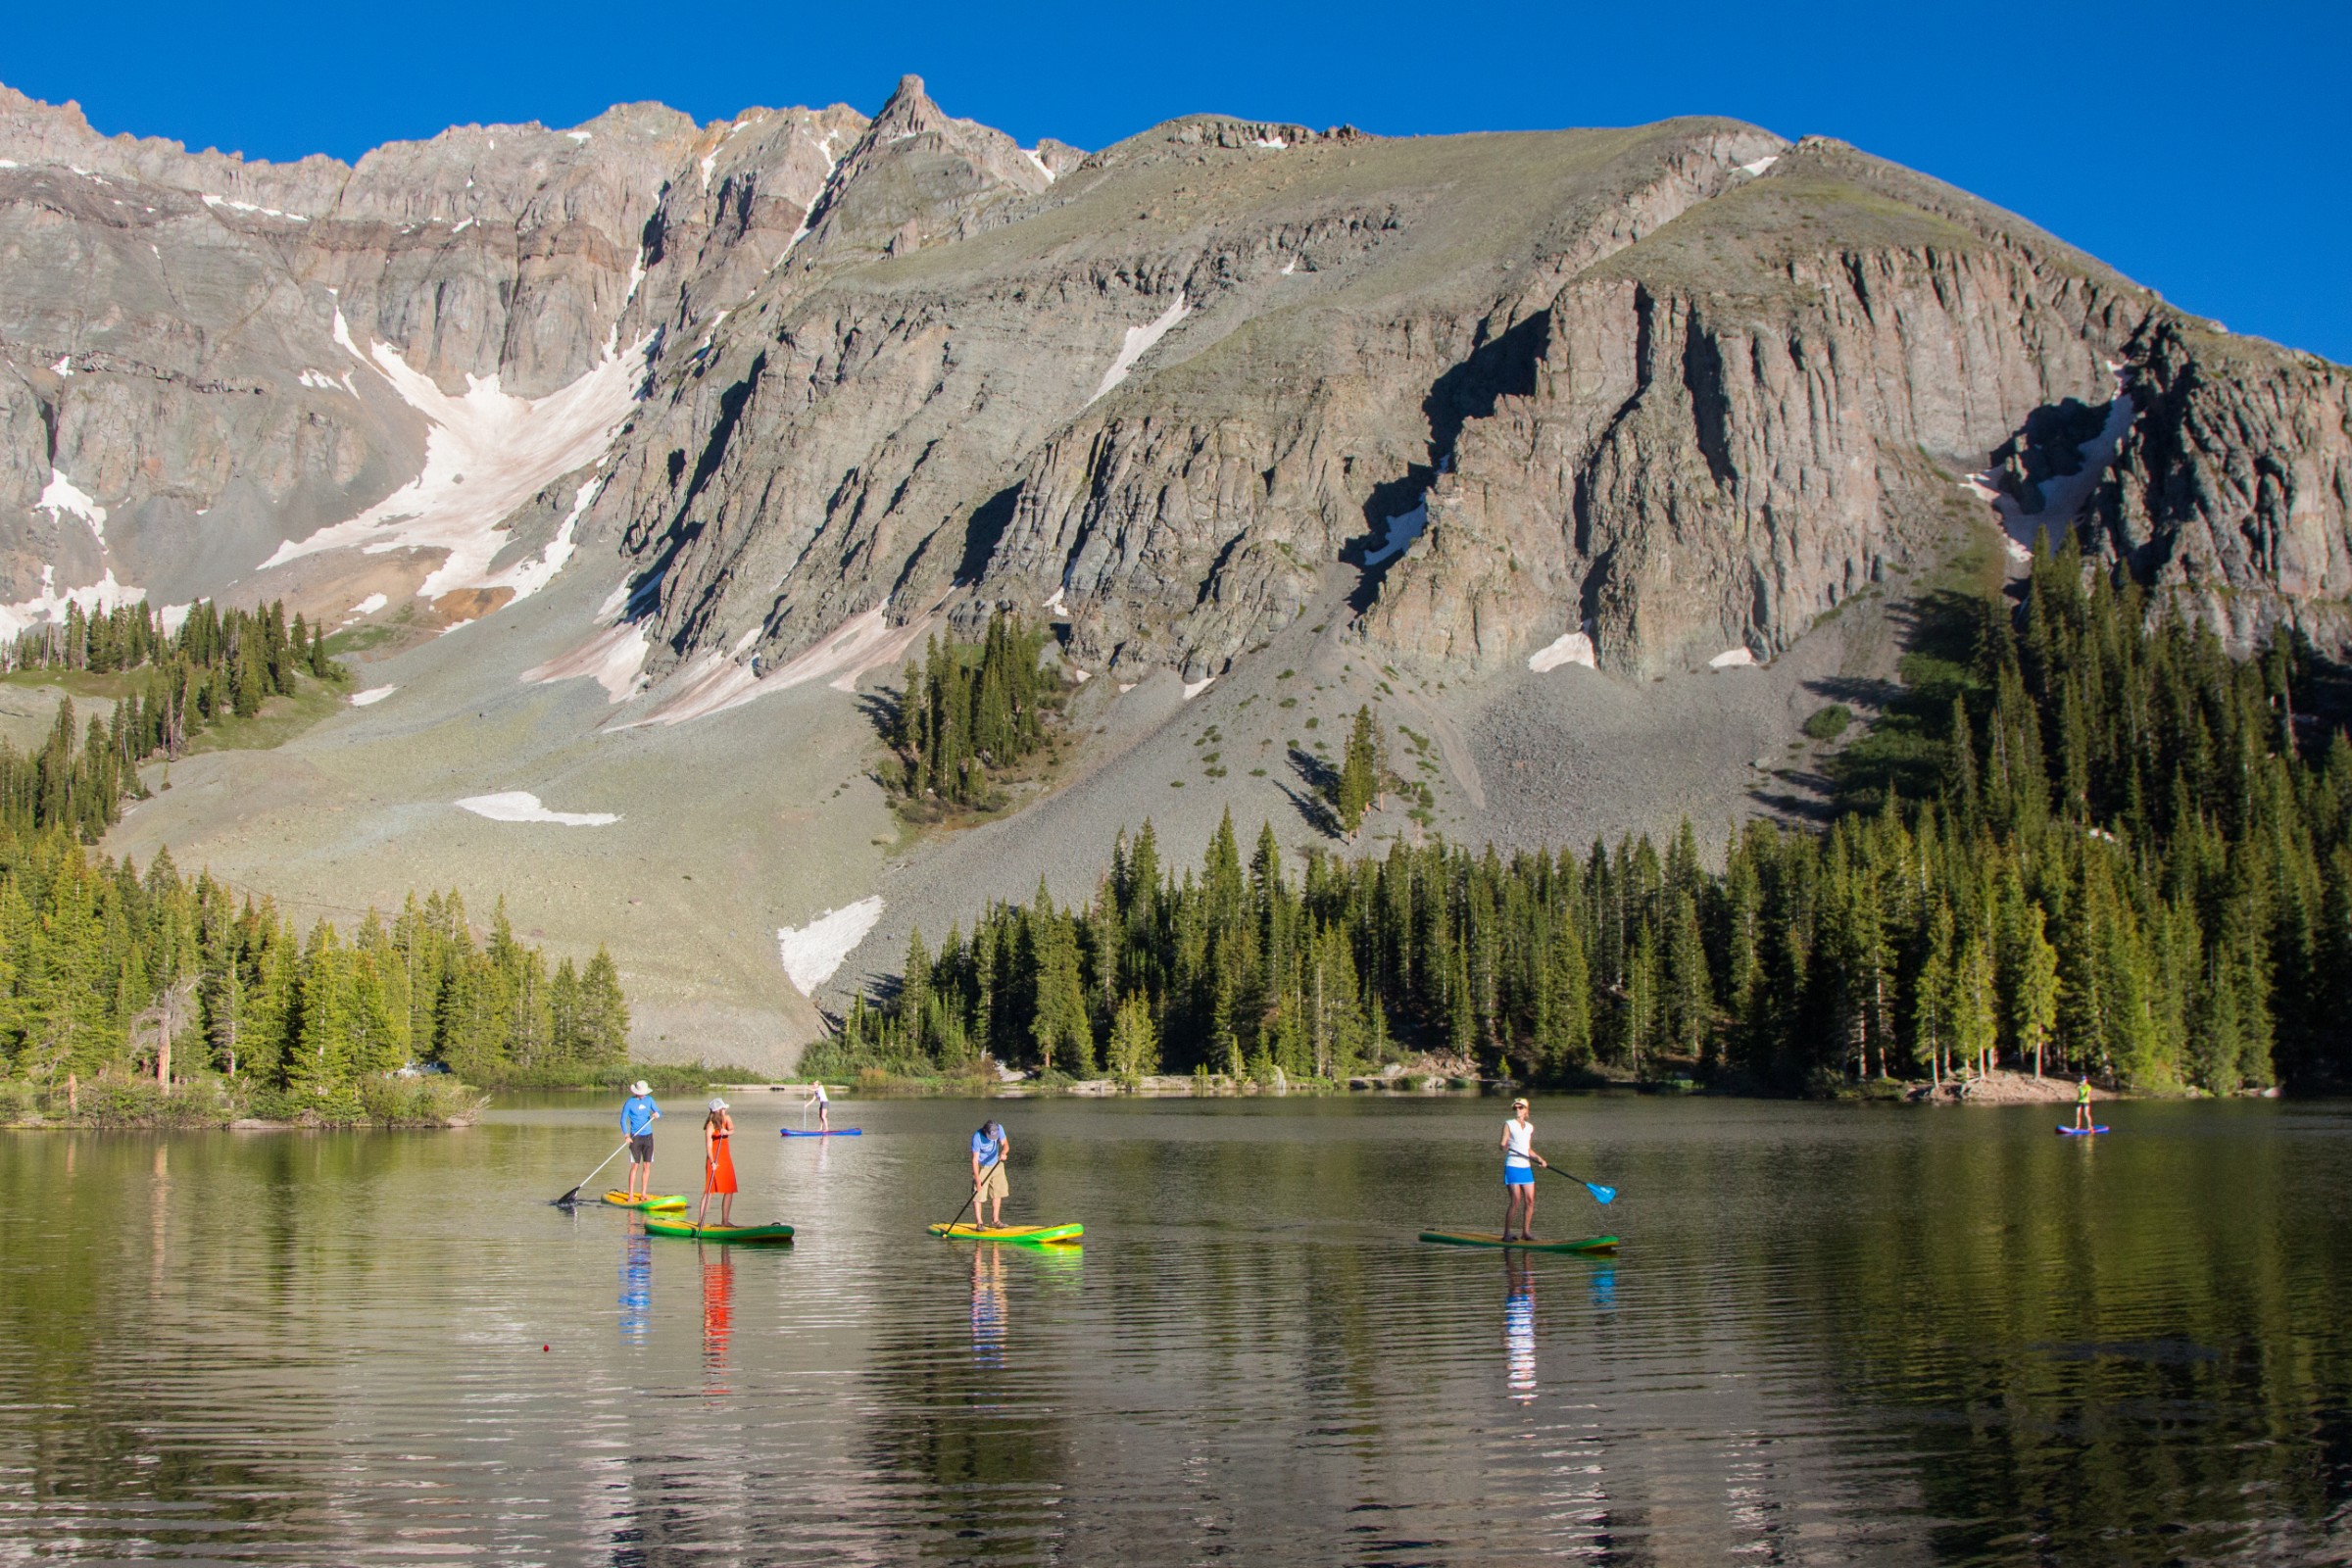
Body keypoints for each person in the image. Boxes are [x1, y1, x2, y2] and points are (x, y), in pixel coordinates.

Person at [1498, 1097, 1549, 1242]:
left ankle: (1526, 1232)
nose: (1518, 1110)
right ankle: (1506, 1234)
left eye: (1521, 1107)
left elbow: (1527, 1149)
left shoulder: (1529, 1127)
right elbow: (1502, 1144)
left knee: (1530, 1200)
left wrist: (1540, 1159)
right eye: (1516, 1108)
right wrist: (1504, 1146)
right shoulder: (1509, 1124)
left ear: (1526, 1110)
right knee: (1516, 1200)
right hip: (1512, 1166)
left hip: (1525, 1167)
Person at [699, 1098, 737, 1227]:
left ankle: (725, 1221)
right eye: (723, 1108)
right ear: (718, 1111)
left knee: (729, 1189)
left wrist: (727, 1132)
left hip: (726, 1158)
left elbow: (732, 1130)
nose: (725, 1110)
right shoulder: (710, 1126)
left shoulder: (727, 1119)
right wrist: (712, 1161)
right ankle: (701, 1221)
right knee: (709, 1191)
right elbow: (709, 1147)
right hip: (714, 1159)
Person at [620, 1080, 661, 1200]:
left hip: (648, 1136)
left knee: (647, 1165)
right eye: (641, 1093)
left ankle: (643, 1193)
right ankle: (631, 1194)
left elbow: (659, 1112)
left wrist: (657, 1114)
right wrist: (626, 1135)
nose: (643, 1095)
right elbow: (623, 1120)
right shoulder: (629, 1103)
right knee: (635, 1166)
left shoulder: (649, 1100)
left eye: (644, 1092)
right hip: (635, 1137)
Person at [969, 1119, 1010, 1230]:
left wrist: (1003, 1153)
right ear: (984, 1130)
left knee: (998, 1192)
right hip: (982, 1166)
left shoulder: (999, 1128)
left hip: (996, 1164)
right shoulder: (977, 1137)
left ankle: (995, 1221)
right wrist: (977, 1180)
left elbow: (1006, 1145)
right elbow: (974, 1160)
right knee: (978, 1194)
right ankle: (979, 1223)